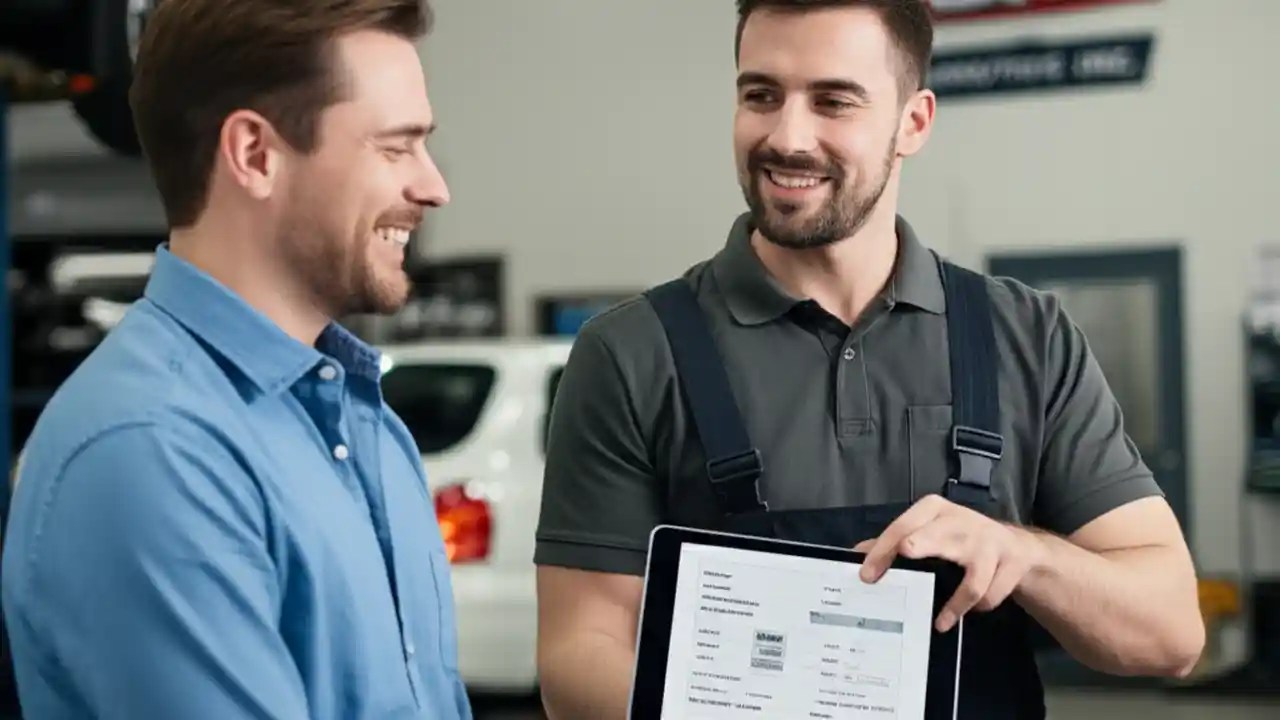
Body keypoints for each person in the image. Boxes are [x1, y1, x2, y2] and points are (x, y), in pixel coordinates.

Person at [533, 1, 1205, 718]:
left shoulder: (1027, 337)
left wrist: (1023, 553)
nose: (788, 136)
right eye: (761, 94)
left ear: (912, 122)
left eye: (833, 101)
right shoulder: (632, 353)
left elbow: (1170, 633)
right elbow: (582, 651)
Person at [0, 1, 472, 718]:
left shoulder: (361, 424)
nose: (434, 187)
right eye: (394, 147)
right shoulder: (150, 449)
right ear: (255, 155)